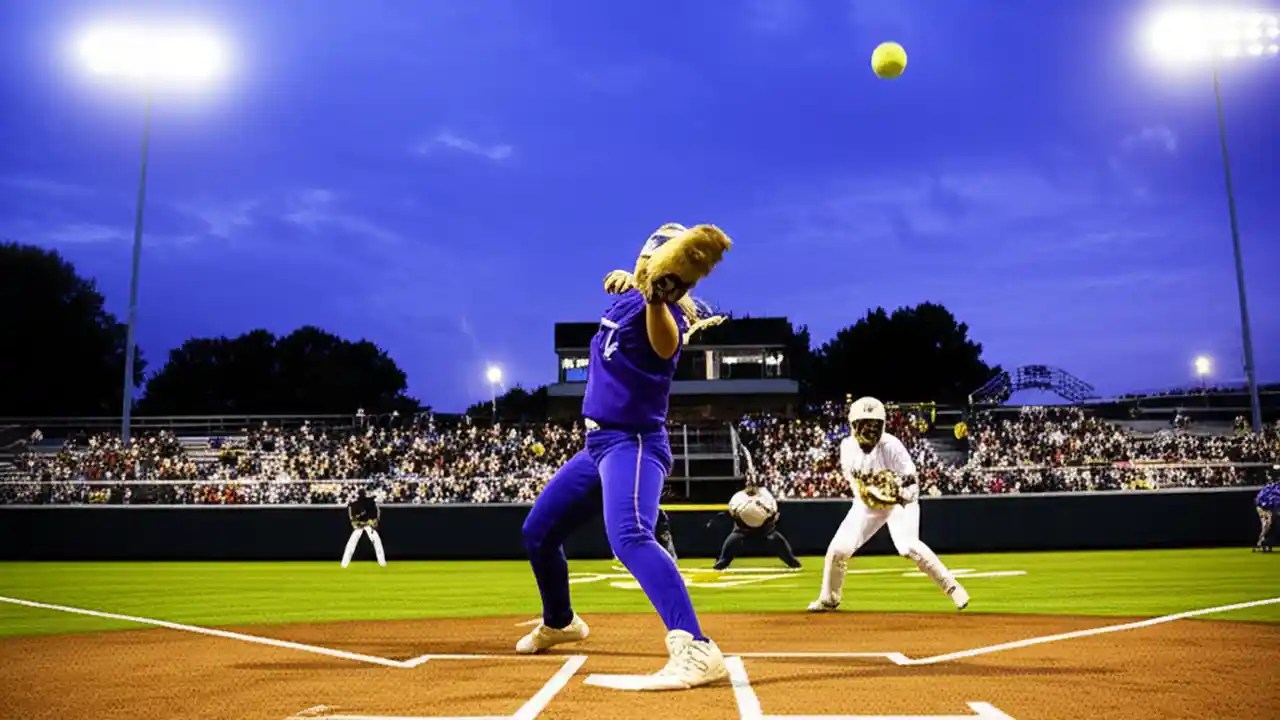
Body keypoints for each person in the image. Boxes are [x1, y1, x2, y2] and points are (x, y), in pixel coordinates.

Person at [517, 222, 731, 690]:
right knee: (538, 532)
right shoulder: (632, 295)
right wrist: (631, 283)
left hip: (632, 442)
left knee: (631, 534)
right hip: (597, 446)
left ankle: (696, 647)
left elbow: (665, 343)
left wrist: (655, 297)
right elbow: (632, 296)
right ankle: (561, 622)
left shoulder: (665, 312)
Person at [808, 396, 968, 612]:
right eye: (865, 424)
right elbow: (856, 485)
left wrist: (897, 493)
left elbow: (912, 482)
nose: (870, 430)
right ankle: (829, 599)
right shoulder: (847, 447)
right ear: (853, 425)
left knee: (907, 546)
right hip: (866, 504)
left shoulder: (892, 446)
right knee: (837, 550)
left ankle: (952, 587)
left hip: (898, 503)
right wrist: (873, 493)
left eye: (875, 425)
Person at [710, 485, 801, 570]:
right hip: (747, 525)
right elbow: (733, 512)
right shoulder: (740, 497)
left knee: (775, 539)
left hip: (759, 524)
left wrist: (770, 519)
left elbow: (773, 512)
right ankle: (723, 561)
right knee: (735, 537)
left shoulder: (764, 495)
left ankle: (791, 561)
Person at [341, 488, 387, 568]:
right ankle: (344, 564)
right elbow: (353, 517)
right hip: (361, 526)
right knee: (352, 544)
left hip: (368, 525)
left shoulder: (368, 503)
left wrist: (373, 521)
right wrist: (358, 523)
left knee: (376, 543)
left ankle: (344, 564)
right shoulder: (359, 504)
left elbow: (376, 513)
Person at [1255, 480, 1279, 552]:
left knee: (1268, 525)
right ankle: (1261, 544)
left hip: (1269, 508)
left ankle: (1263, 544)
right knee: (1266, 525)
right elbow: (1260, 500)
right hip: (1264, 508)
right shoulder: (1271, 489)